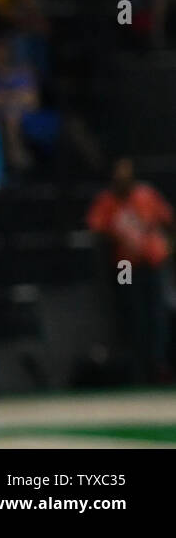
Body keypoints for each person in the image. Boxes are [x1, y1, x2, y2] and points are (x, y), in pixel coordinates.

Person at [87, 157, 173, 383]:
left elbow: (167, 220)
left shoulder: (146, 194)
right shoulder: (107, 202)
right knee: (132, 312)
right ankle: (137, 368)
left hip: (153, 260)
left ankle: (159, 365)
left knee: (156, 313)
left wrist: (167, 246)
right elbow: (96, 229)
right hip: (125, 265)